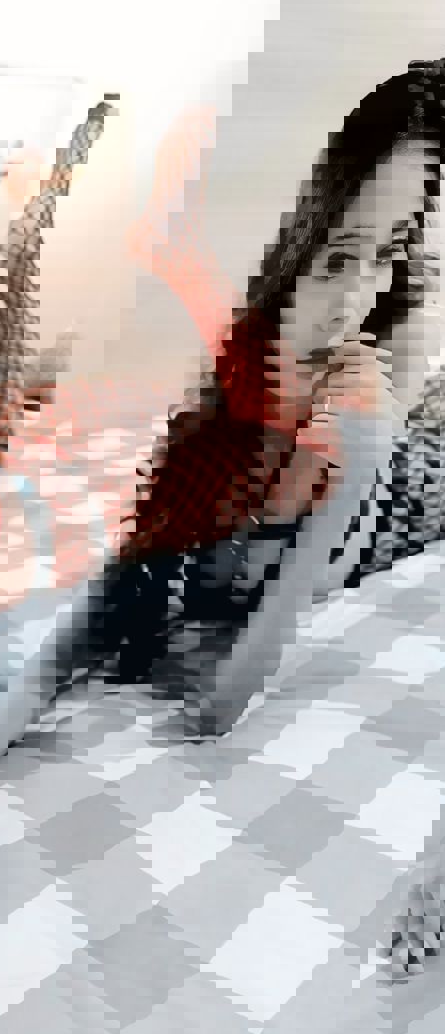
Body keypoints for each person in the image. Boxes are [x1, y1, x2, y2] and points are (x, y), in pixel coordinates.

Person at [50, 58, 445, 737]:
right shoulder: (255, 338)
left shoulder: (382, 360)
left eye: (392, 251)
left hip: (399, 483)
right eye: (346, 251)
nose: (360, 285)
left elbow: (275, 617)